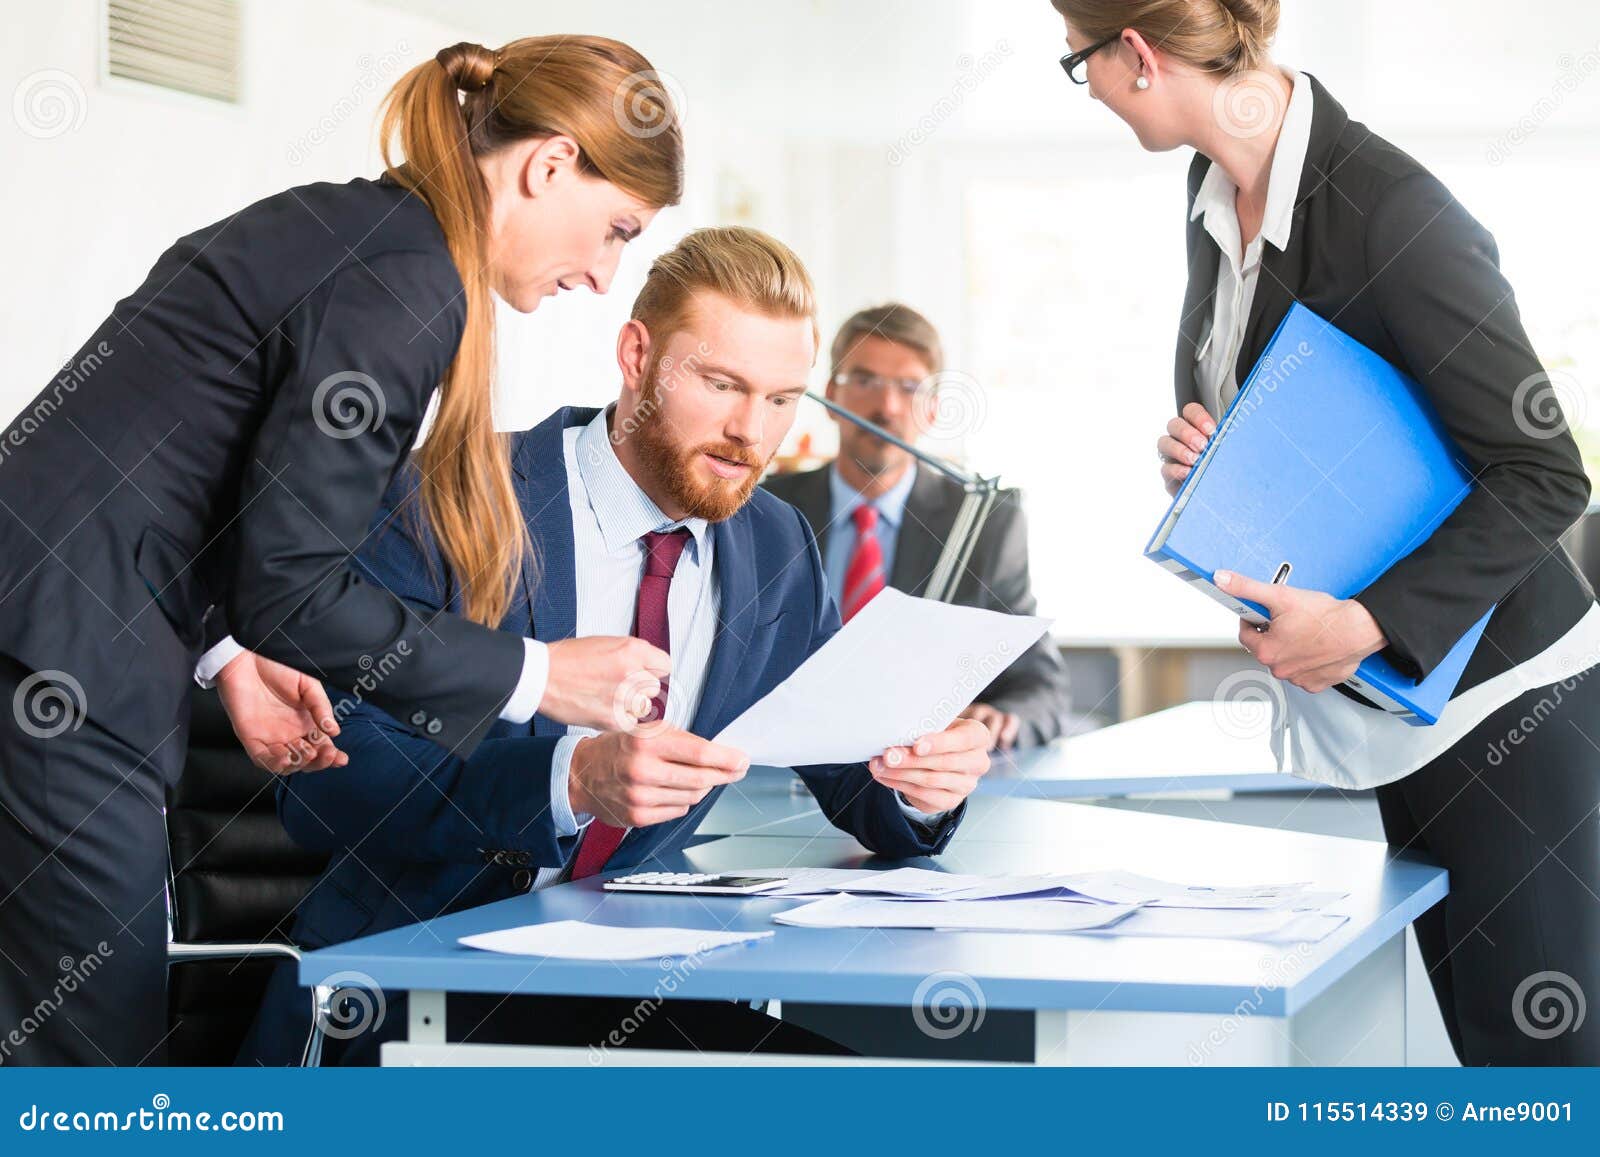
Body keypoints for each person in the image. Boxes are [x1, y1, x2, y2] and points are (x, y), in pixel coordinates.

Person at [0, 36, 687, 1065]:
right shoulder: (405, 283)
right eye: (617, 230)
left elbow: (165, 466)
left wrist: (226, 658)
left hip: (48, 640)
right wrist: (539, 674)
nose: (603, 274)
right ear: (550, 165)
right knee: (86, 1068)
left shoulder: (349, 227)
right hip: (59, 668)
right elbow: (293, 584)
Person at [239, 227, 992, 1063]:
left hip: (631, 986)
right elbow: (326, 788)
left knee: (879, 1092)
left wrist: (923, 783)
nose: (751, 431)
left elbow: (849, 766)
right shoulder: (448, 500)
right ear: (637, 356)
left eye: (782, 399)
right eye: (721, 384)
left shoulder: (774, 544)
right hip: (409, 986)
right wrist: (568, 780)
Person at [1049, 0, 1599, 1065]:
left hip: (1504, 702)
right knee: (1486, 1058)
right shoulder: (1215, 196)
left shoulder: (1389, 208)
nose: (1091, 90)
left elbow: (1543, 474)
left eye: (1081, 64)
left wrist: (1366, 622)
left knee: (1544, 1073)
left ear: (1137, 54)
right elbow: (1332, 425)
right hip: (1400, 709)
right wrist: (1211, 461)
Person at [763, 304, 1072, 750]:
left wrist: (1000, 720)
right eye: (865, 381)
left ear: (933, 409)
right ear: (831, 395)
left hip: (915, 771)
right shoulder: (767, 508)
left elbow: (1042, 688)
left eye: (909, 388)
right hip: (780, 761)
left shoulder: (984, 523)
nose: (886, 407)